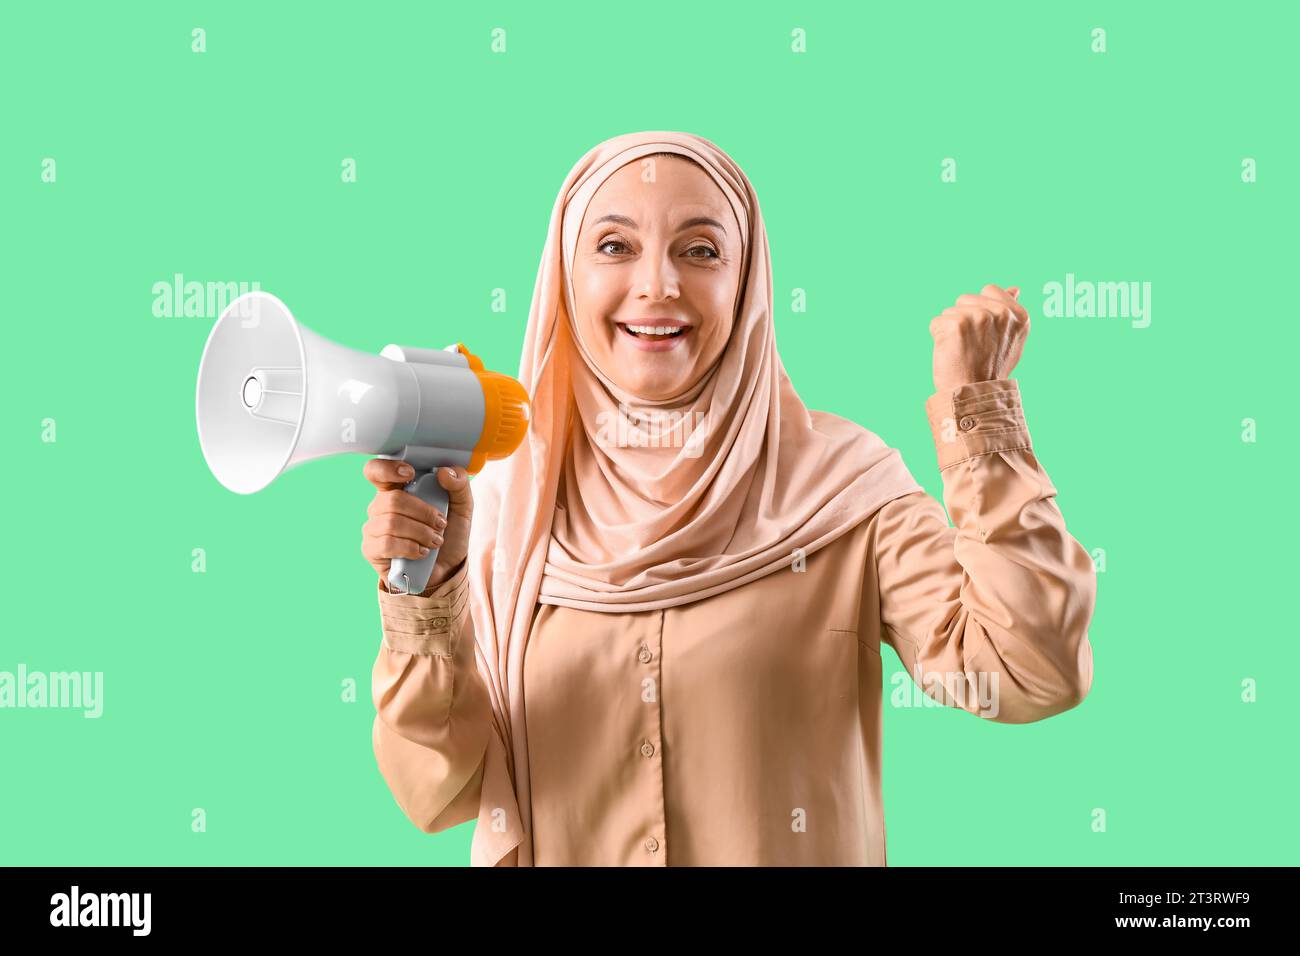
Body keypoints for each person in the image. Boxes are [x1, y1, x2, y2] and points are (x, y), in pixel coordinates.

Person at [361, 130, 1096, 867]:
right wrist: (427, 592)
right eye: (614, 247)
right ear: (563, 277)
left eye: (701, 250)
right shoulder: (501, 511)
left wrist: (980, 412)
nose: (658, 285)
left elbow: (1028, 671)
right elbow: (439, 792)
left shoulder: (847, 493)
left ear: (748, 283)